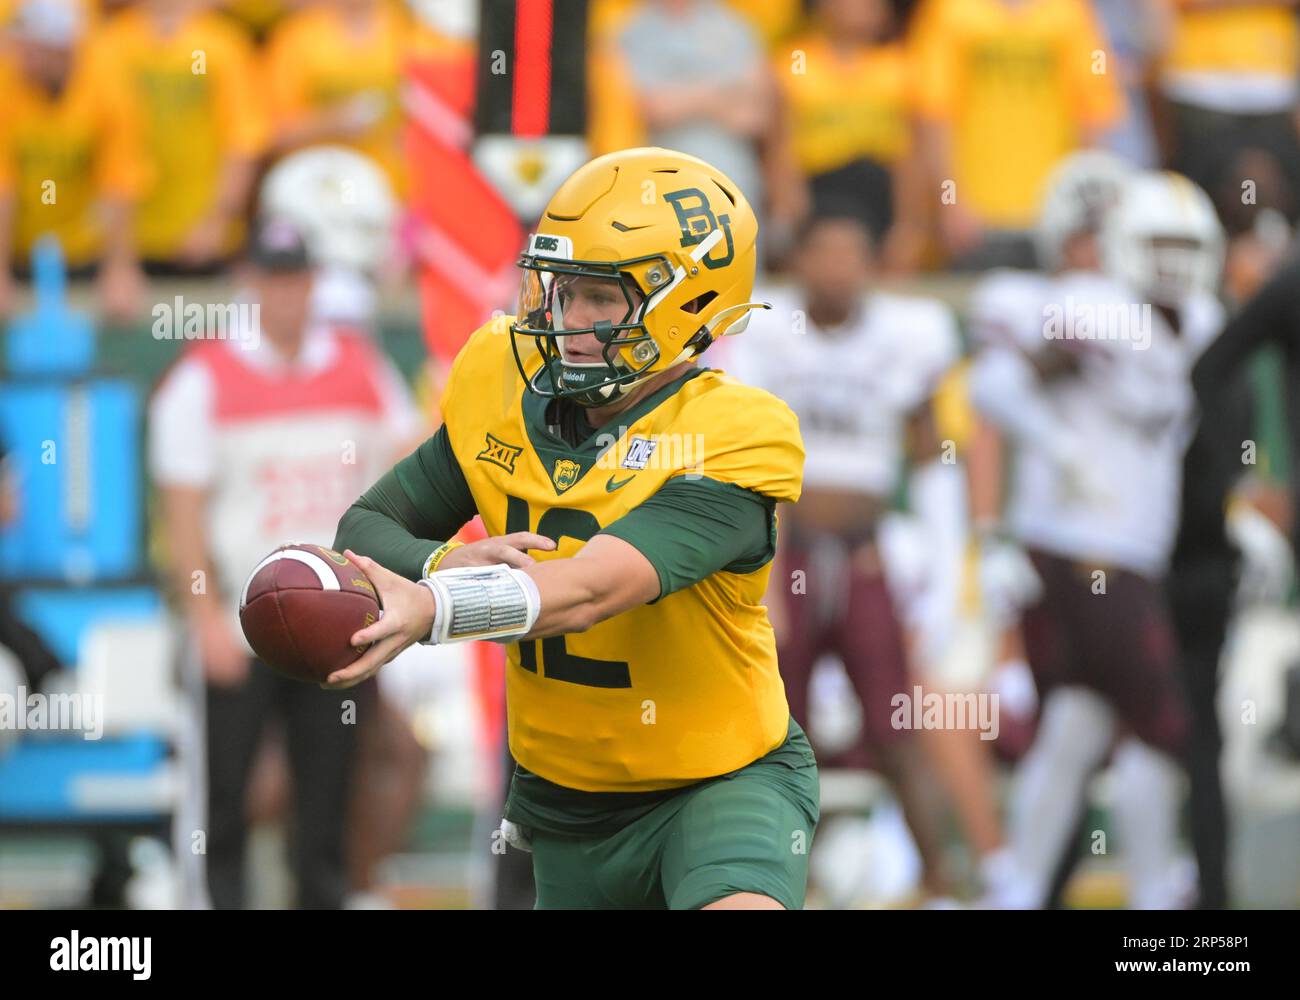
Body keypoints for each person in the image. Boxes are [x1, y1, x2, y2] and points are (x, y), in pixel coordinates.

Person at [331, 147, 820, 910]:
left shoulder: (733, 432)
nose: (571, 323)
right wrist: (439, 563)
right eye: (562, 294)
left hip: (719, 780)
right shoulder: (501, 381)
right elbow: (369, 524)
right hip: (567, 804)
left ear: (690, 302)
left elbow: (590, 589)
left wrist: (435, 606)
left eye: (601, 298)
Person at [971, 170, 1227, 908]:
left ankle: (1017, 889)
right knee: (1160, 727)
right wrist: (1060, 447)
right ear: (1123, 244)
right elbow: (993, 384)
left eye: (1187, 246)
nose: (1174, 262)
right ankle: (1155, 899)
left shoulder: (1200, 318)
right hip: (1090, 547)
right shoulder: (1097, 309)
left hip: (1128, 546)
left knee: (1078, 725)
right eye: (1160, 245)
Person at [149, 217, 421, 908]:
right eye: (272, 279)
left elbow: (406, 464)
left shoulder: (357, 362)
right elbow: (183, 511)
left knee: (330, 791)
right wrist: (204, 615)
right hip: (246, 615)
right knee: (228, 792)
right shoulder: (206, 377)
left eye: (295, 279)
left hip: (339, 616)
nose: (285, 295)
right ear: (250, 283)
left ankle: (324, 897)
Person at [724, 208, 960, 898]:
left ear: (871, 262)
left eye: (849, 253)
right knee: (777, 731)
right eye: (822, 253)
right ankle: (780, 882)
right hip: (786, 556)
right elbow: (742, 459)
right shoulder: (766, 333)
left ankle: (941, 881)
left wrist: (946, 573)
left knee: (894, 723)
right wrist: (760, 570)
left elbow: (932, 455)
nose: (836, 269)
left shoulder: (906, 334)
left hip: (866, 556)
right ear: (798, 263)